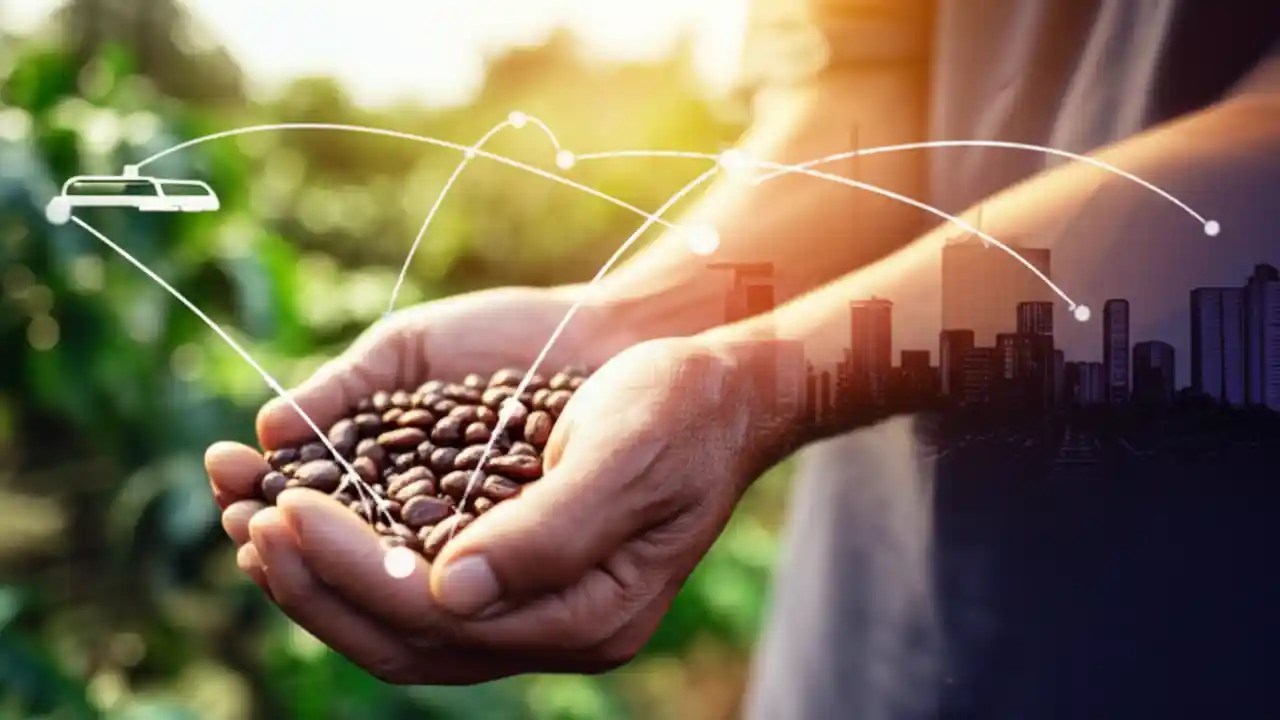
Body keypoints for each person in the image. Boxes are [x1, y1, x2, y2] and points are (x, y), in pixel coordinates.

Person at [206, 1, 1280, 716]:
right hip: (866, 625)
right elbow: (859, 84)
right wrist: (641, 319)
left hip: (1194, 627)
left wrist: (758, 377)